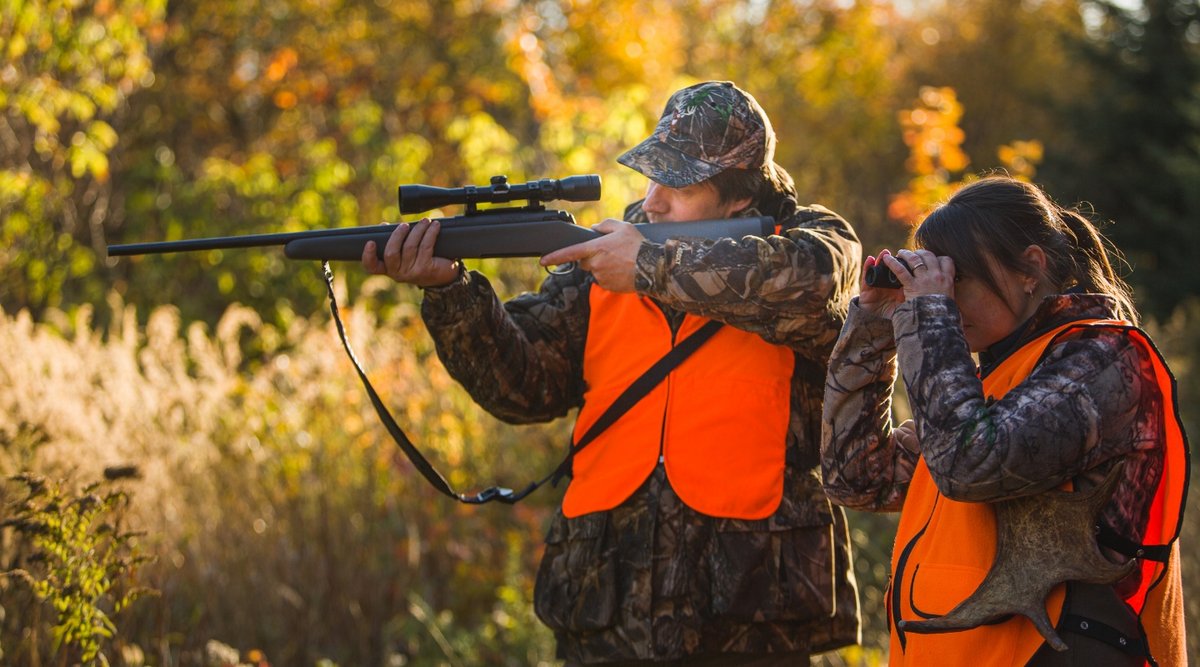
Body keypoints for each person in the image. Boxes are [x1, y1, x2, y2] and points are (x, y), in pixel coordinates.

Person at [363, 81, 862, 664]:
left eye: (678, 184)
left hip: (751, 617)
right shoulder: (604, 260)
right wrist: (450, 291)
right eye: (652, 177)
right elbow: (524, 390)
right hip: (606, 609)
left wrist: (649, 265)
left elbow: (813, 282)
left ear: (737, 200)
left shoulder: (810, 241)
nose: (652, 201)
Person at [821, 175, 1188, 666]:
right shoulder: (990, 385)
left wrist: (930, 316)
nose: (945, 296)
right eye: (938, 281)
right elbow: (855, 477)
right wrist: (870, 328)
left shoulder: (1103, 359)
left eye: (958, 278)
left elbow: (968, 464)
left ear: (1030, 268)